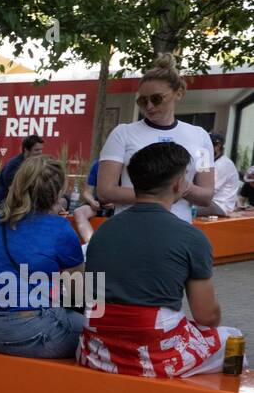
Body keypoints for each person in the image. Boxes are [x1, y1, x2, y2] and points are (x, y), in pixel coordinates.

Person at [80, 142, 244, 378]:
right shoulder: (191, 237)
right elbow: (206, 316)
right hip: (156, 352)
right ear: (179, 184)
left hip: (98, 350)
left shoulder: (103, 232)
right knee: (231, 337)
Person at [0, 156, 87, 358]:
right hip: (26, 332)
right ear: (57, 193)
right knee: (94, 331)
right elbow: (80, 293)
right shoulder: (61, 229)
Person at [96, 54, 214, 222]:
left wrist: (183, 187)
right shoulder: (122, 133)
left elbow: (207, 195)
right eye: (143, 101)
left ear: (178, 93)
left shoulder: (200, 136)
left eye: (157, 99)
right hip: (131, 226)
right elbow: (105, 191)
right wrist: (165, 194)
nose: (149, 106)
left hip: (177, 230)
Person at [0, 136, 44, 207]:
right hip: (5, 201)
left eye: (41, 149)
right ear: (26, 150)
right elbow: (13, 188)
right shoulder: (14, 165)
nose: (40, 153)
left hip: (23, 201)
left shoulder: (37, 163)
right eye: (37, 150)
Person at [196, 132, 240, 217]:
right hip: (209, 201)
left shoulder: (224, 164)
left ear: (218, 146)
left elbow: (209, 191)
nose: (205, 148)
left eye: (209, 146)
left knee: (185, 209)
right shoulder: (206, 160)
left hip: (220, 204)